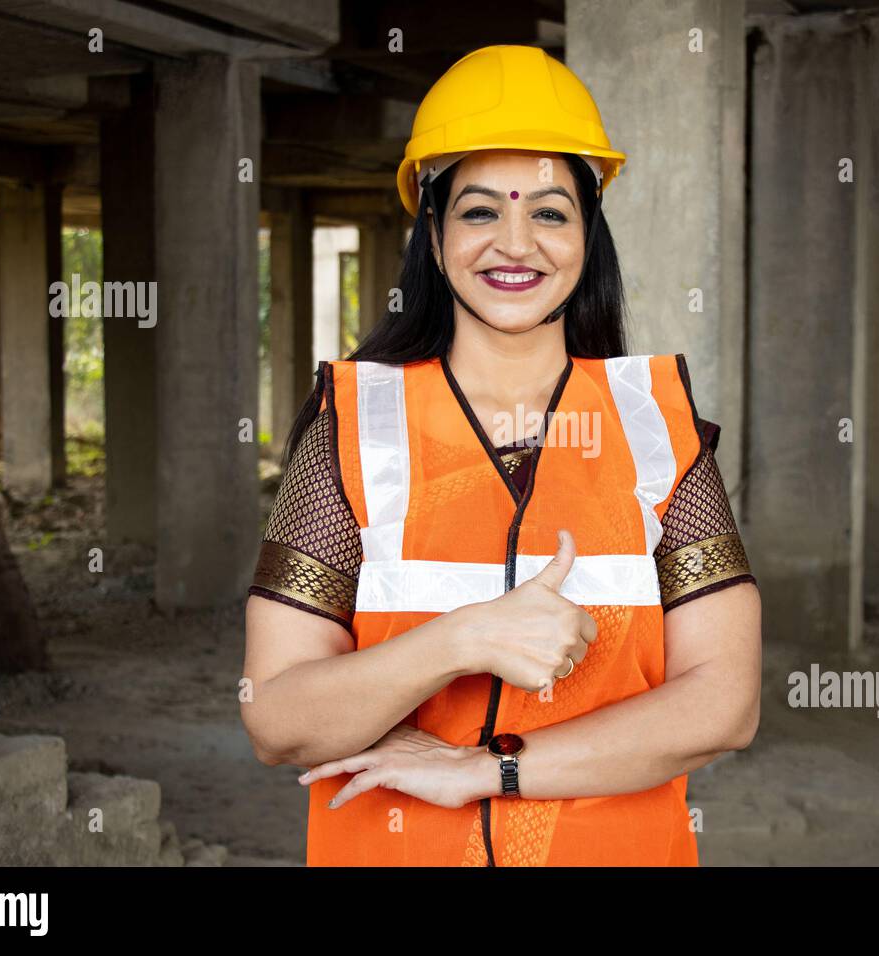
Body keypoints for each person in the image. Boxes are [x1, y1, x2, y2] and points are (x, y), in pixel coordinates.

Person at [241, 44, 761, 867]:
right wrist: (464, 639)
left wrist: (487, 771)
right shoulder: (353, 428)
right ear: (434, 231)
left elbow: (723, 704)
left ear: (588, 234)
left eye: (550, 212)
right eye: (480, 211)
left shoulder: (656, 425)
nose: (514, 244)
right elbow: (278, 718)